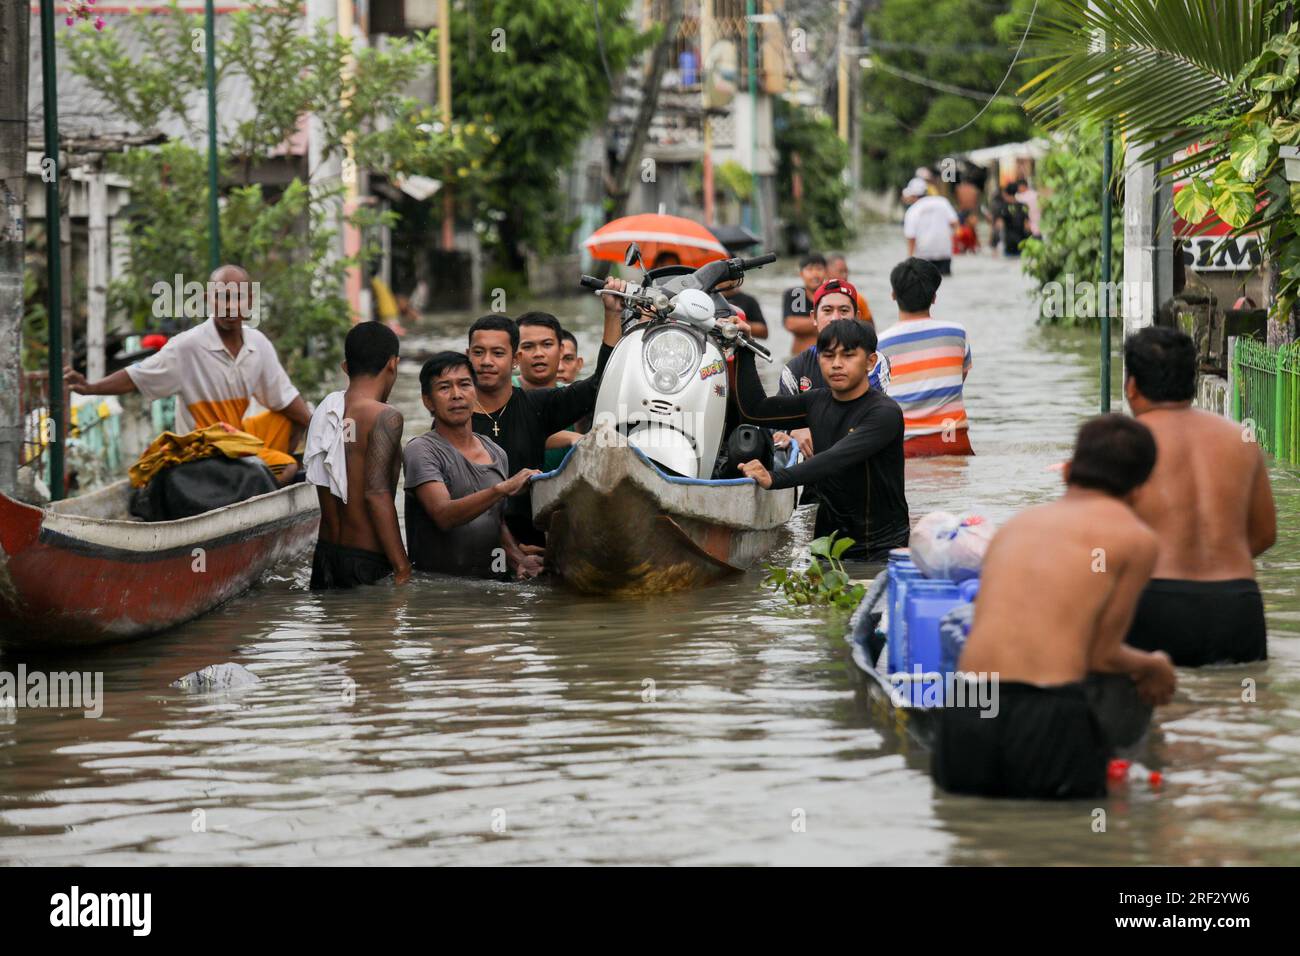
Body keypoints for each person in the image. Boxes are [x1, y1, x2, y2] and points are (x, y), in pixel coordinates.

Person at [932, 414, 1177, 800]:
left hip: (966, 706)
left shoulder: (1015, 527)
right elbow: (1102, 655)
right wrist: (1154, 666)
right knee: (1065, 843)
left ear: (1067, 473)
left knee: (970, 841)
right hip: (1043, 713)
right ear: (1141, 490)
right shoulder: (1135, 538)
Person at [64, 264, 312, 484]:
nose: (229, 306)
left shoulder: (257, 344)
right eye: (222, 298)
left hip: (237, 440)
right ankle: (257, 495)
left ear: (249, 301)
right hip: (205, 448)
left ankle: (259, 481)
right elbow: (137, 376)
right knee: (286, 466)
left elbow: (285, 398)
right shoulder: (188, 346)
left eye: (237, 298)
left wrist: (318, 425)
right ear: (208, 300)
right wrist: (90, 387)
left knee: (292, 417)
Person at [1123, 326, 1276, 666]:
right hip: (1237, 605)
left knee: (1164, 711)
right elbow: (1266, 534)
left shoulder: (1125, 443)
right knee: (1238, 711)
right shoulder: (1241, 440)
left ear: (1131, 386)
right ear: (1192, 381)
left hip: (1158, 601)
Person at [732, 318, 909, 560]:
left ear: (870, 362)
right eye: (828, 355)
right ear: (819, 360)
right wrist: (744, 348)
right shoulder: (816, 402)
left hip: (879, 552)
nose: (836, 364)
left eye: (848, 356)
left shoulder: (884, 413)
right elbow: (753, 411)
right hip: (827, 547)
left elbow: (834, 460)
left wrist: (774, 478)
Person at [468, 283, 625, 547]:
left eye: (497, 353)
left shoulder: (536, 405)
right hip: (474, 537)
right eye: (479, 353)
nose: (487, 362)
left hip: (531, 537)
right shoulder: (455, 408)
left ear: (512, 359)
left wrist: (612, 315)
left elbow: (601, 384)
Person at [404, 352, 545, 579]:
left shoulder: (495, 452)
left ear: (475, 392)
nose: (456, 395)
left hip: (489, 588)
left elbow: (494, 520)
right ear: (427, 400)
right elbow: (443, 515)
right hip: (438, 593)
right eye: (444, 388)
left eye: (464, 384)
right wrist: (502, 488)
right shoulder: (421, 450)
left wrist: (518, 559)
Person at [304, 322, 411, 589]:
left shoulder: (326, 409)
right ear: (392, 364)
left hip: (326, 557)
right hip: (366, 561)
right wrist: (402, 567)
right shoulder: (385, 416)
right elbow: (376, 495)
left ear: (345, 367)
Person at [775, 278, 892, 461]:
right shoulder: (794, 370)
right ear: (814, 317)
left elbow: (866, 416)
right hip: (810, 467)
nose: (835, 318)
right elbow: (778, 421)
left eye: (844, 311)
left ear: (857, 317)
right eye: (827, 311)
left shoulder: (875, 362)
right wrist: (793, 429)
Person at [876, 258, 974, 458]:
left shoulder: (879, 344)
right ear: (934, 297)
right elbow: (958, 381)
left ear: (893, 295)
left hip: (904, 444)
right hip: (953, 438)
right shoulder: (957, 333)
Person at [903, 183, 960, 276]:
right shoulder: (942, 202)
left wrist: (909, 260)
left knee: (927, 285)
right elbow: (955, 223)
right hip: (944, 253)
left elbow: (911, 237)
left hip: (923, 256)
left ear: (913, 195)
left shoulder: (912, 210)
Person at [782, 253, 827, 354]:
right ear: (801, 274)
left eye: (819, 269)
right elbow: (790, 324)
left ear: (826, 272)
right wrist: (824, 321)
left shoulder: (831, 296)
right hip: (799, 358)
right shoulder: (794, 294)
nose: (815, 274)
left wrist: (805, 325)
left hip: (826, 357)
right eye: (810, 269)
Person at [513, 312, 565, 390]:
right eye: (527, 347)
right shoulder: (498, 391)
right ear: (515, 355)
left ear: (561, 350)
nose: (538, 353)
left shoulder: (573, 396)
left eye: (547, 344)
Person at [825, 254, 873, 321]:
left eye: (846, 271)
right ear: (826, 272)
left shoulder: (858, 299)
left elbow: (870, 328)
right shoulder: (815, 297)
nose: (845, 276)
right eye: (841, 271)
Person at [994, 181, 1030, 257]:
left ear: (1006, 193)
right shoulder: (1023, 206)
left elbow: (998, 226)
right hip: (1021, 243)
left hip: (1009, 245)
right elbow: (1027, 227)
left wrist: (995, 245)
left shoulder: (1003, 208)